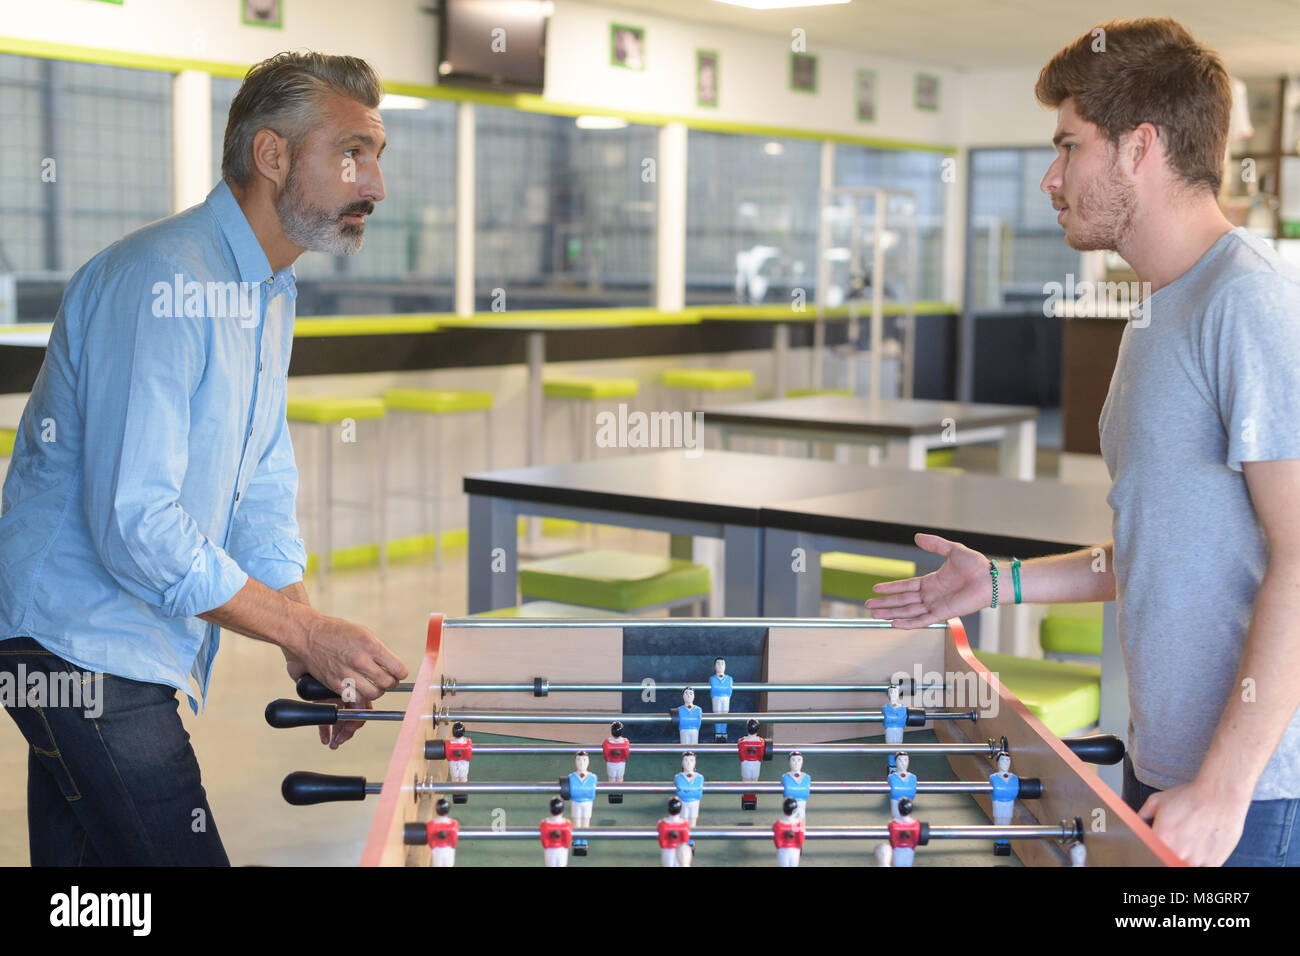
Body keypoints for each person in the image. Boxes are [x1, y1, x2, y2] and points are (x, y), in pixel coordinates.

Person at [866, 19, 1300, 867]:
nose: (1049, 176)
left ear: (1140, 148)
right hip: (1166, 766)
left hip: (1257, 796)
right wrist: (999, 582)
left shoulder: (1249, 304)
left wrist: (1225, 787)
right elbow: (1158, 543)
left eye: (1069, 146)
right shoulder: (1156, 311)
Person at [0, 51, 408, 865]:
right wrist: (303, 627)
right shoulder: (162, 281)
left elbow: (258, 481)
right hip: (75, 642)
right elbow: (135, 526)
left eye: (378, 158)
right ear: (272, 155)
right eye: (352, 153)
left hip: (119, 635)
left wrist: (304, 640)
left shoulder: (267, 289)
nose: (375, 186)